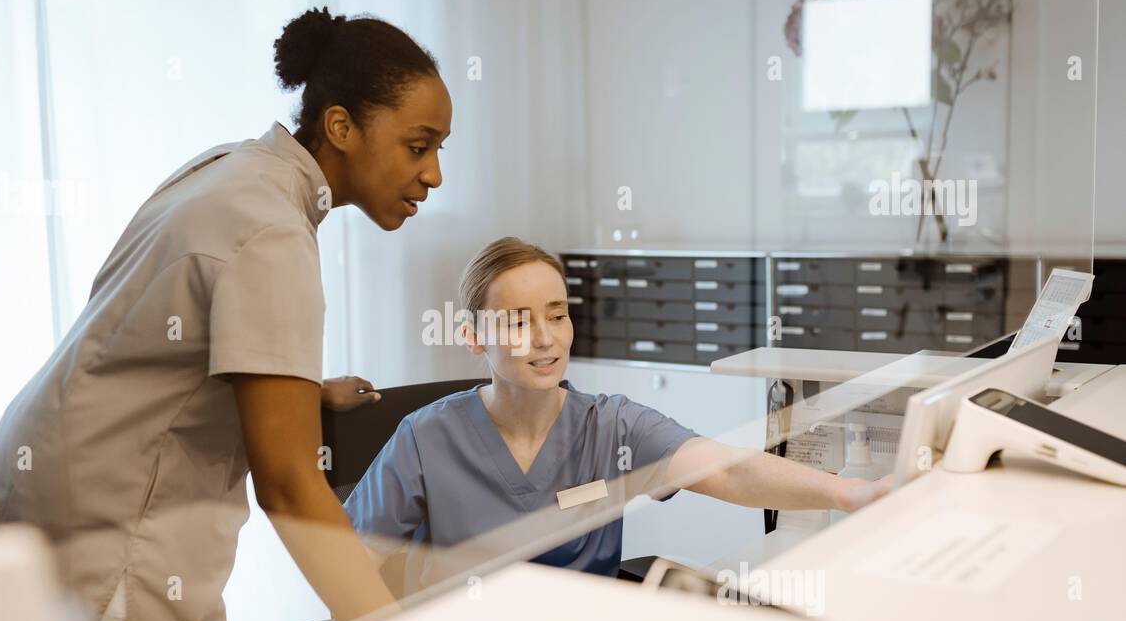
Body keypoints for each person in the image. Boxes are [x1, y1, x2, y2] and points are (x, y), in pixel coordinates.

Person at [0, 8, 453, 621]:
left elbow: (164, 340)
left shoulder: (232, 170)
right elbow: (289, 485)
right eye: (418, 145)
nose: (434, 174)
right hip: (113, 539)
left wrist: (298, 392)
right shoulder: (272, 233)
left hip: (36, 497)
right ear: (342, 127)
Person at [345, 237, 890, 581]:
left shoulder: (612, 426)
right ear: (471, 336)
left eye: (557, 316)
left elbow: (723, 468)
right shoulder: (426, 438)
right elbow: (347, 565)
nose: (545, 339)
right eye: (517, 321)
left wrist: (847, 492)